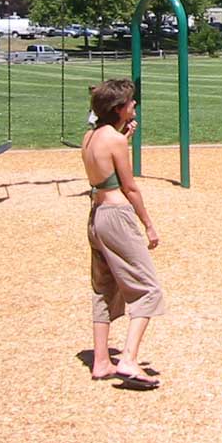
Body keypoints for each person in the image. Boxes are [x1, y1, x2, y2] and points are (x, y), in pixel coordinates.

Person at [82, 78, 165, 390]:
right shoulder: (115, 141)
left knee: (104, 287)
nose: (134, 105)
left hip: (96, 216)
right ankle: (128, 359)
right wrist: (148, 224)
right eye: (130, 102)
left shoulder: (89, 137)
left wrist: (123, 138)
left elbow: (104, 167)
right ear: (118, 109)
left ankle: (101, 361)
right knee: (148, 289)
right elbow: (129, 188)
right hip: (116, 216)